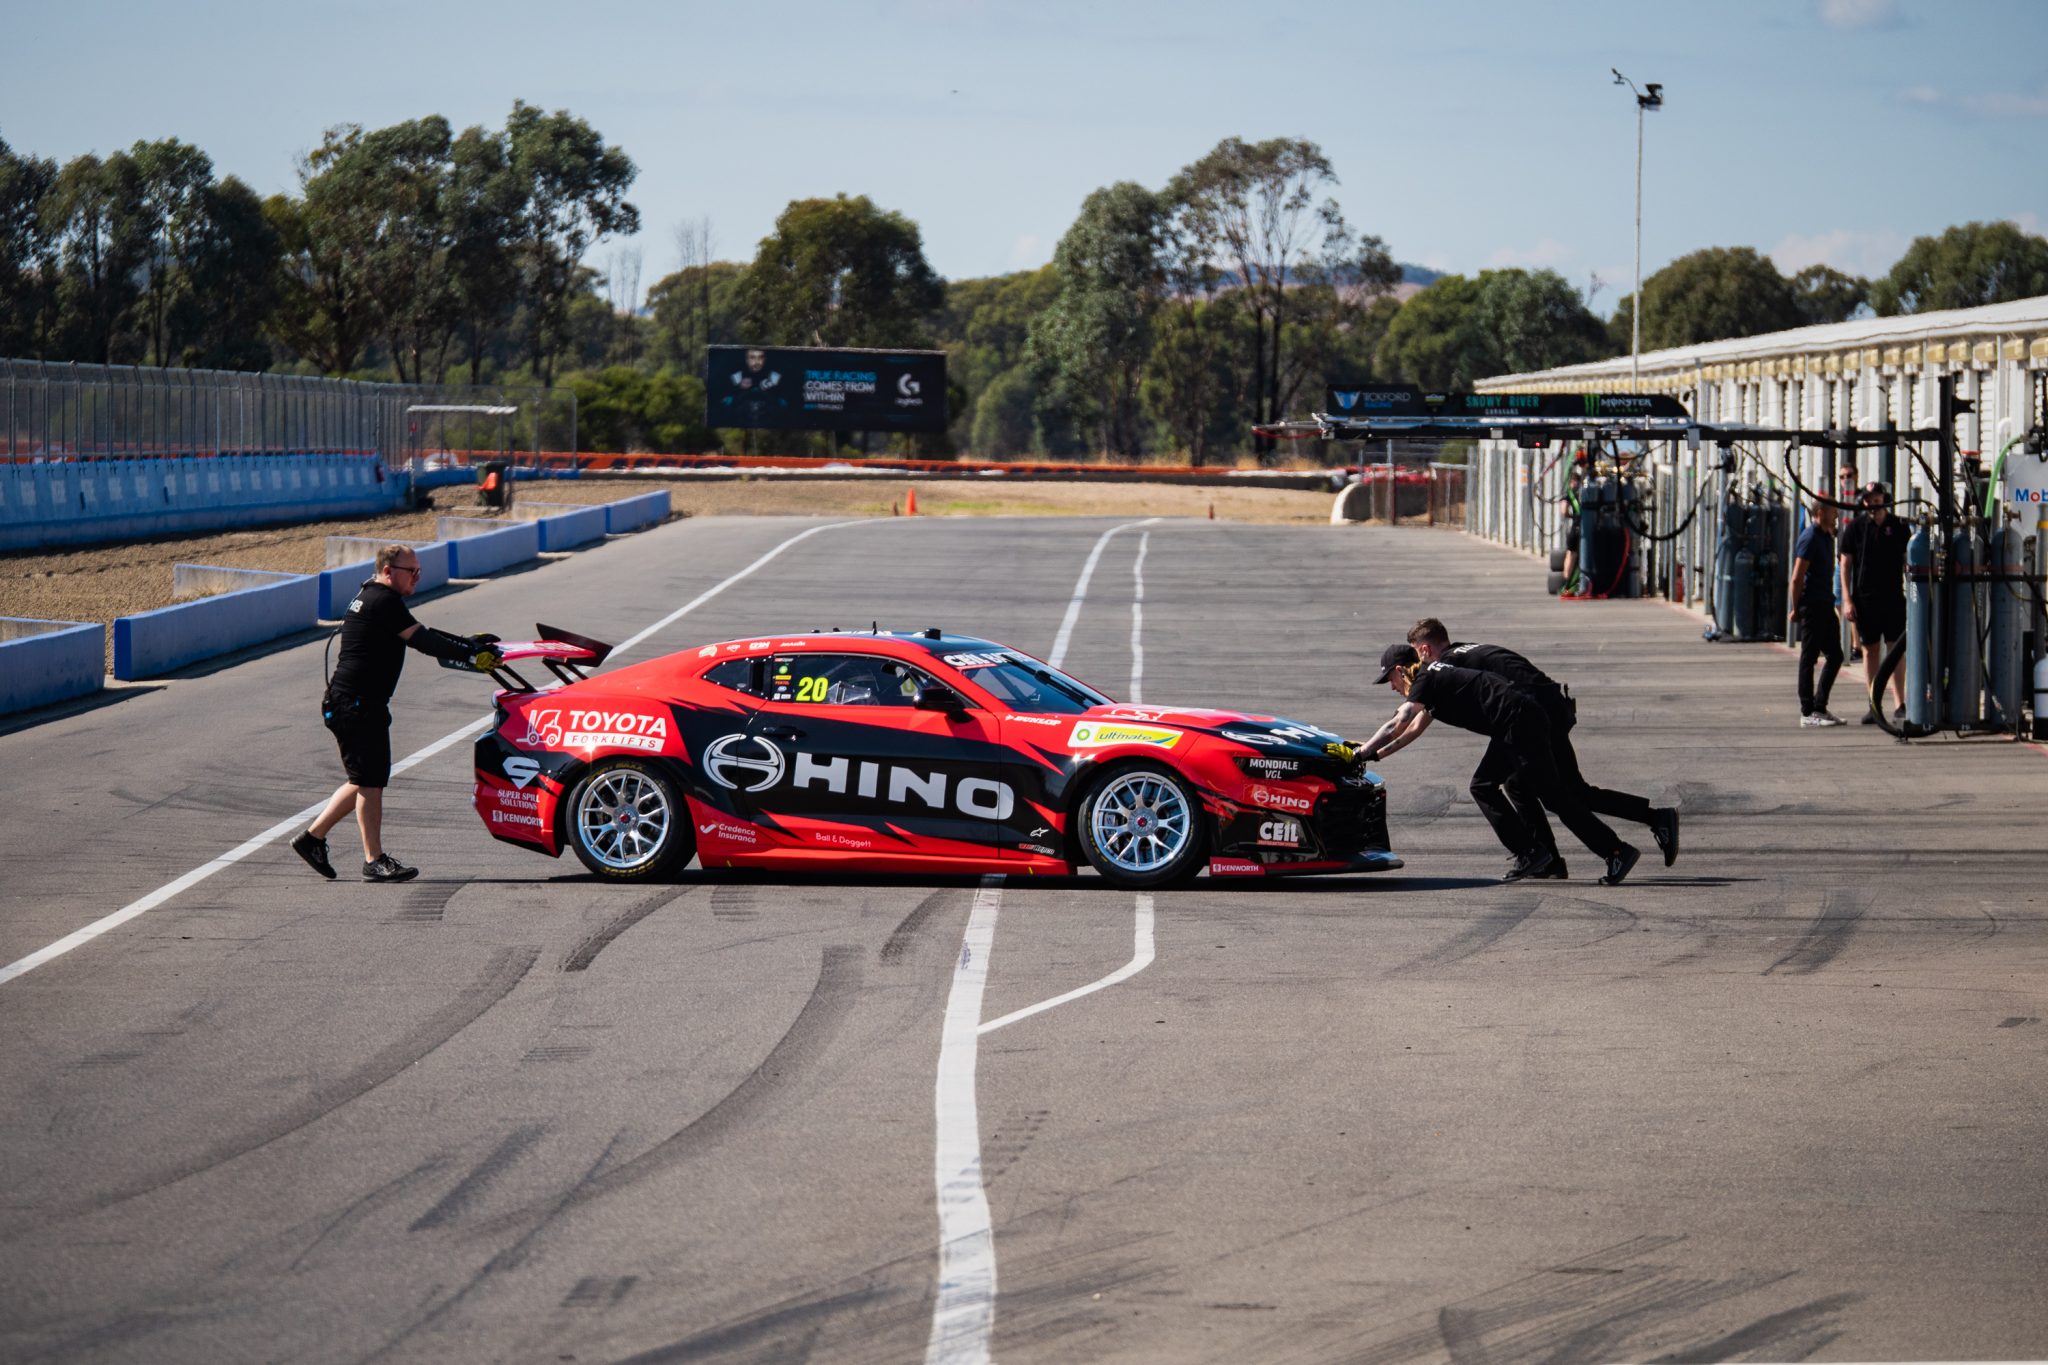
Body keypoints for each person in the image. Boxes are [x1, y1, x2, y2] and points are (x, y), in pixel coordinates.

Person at [1403, 618, 1679, 877]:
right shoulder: (1466, 650)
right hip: (1549, 704)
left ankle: (1608, 849)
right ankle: (1551, 858)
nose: (1420, 664)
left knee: (1560, 793)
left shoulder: (1448, 663)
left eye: (1418, 655)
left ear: (1425, 649)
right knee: (1523, 785)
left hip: (1538, 713)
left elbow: (1423, 714)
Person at [292, 544, 501, 883]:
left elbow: (423, 635)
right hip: (355, 705)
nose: (418, 577)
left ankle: (312, 839)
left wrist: (467, 645)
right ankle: (374, 860)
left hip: (355, 704)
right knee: (371, 781)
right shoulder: (383, 600)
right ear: (389, 572)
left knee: (363, 778)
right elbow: (422, 640)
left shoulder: (374, 596)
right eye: (412, 571)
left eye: (419, 570)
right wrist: (471, 653)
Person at [1355, 644, 1642, 886]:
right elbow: (1413, 730)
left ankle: (1571, 851)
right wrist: (1376, 755)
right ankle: (1566, 853)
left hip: (1518, 722)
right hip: (1519, 720)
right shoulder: (1432, 678)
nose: (1391, 687)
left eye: (1389, 679)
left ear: (1401, 669)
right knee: (1530, 792)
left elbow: (1400, 720)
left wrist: (1362, 752)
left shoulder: (1426, 678)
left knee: (1494, 788)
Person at [1838, 481, 1909, 723]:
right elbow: (1845, 565)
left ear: (1884, 499)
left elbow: (1909, 560)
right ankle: (1873, 703)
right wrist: (1847, 599)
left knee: (1896, 649)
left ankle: (1900, 703)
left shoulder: (1899, 526)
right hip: (1865, 598)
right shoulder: (1855, 527)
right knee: (1870, 650)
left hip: (1893, 596)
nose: (1873, 504)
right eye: (1869, 499)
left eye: (1877, 499)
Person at [1789, 499, 1845, 727]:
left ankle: (1820, 706)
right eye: (1833, 513)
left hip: (1825, 603)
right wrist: (1795, 608)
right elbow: (1796, 577)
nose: (1836, 517)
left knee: (1836, 655)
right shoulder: (1810, 538)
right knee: (1809, 657)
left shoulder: (1826, 536)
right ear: (1820, 513)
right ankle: (1807, 711)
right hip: (1811, 604)